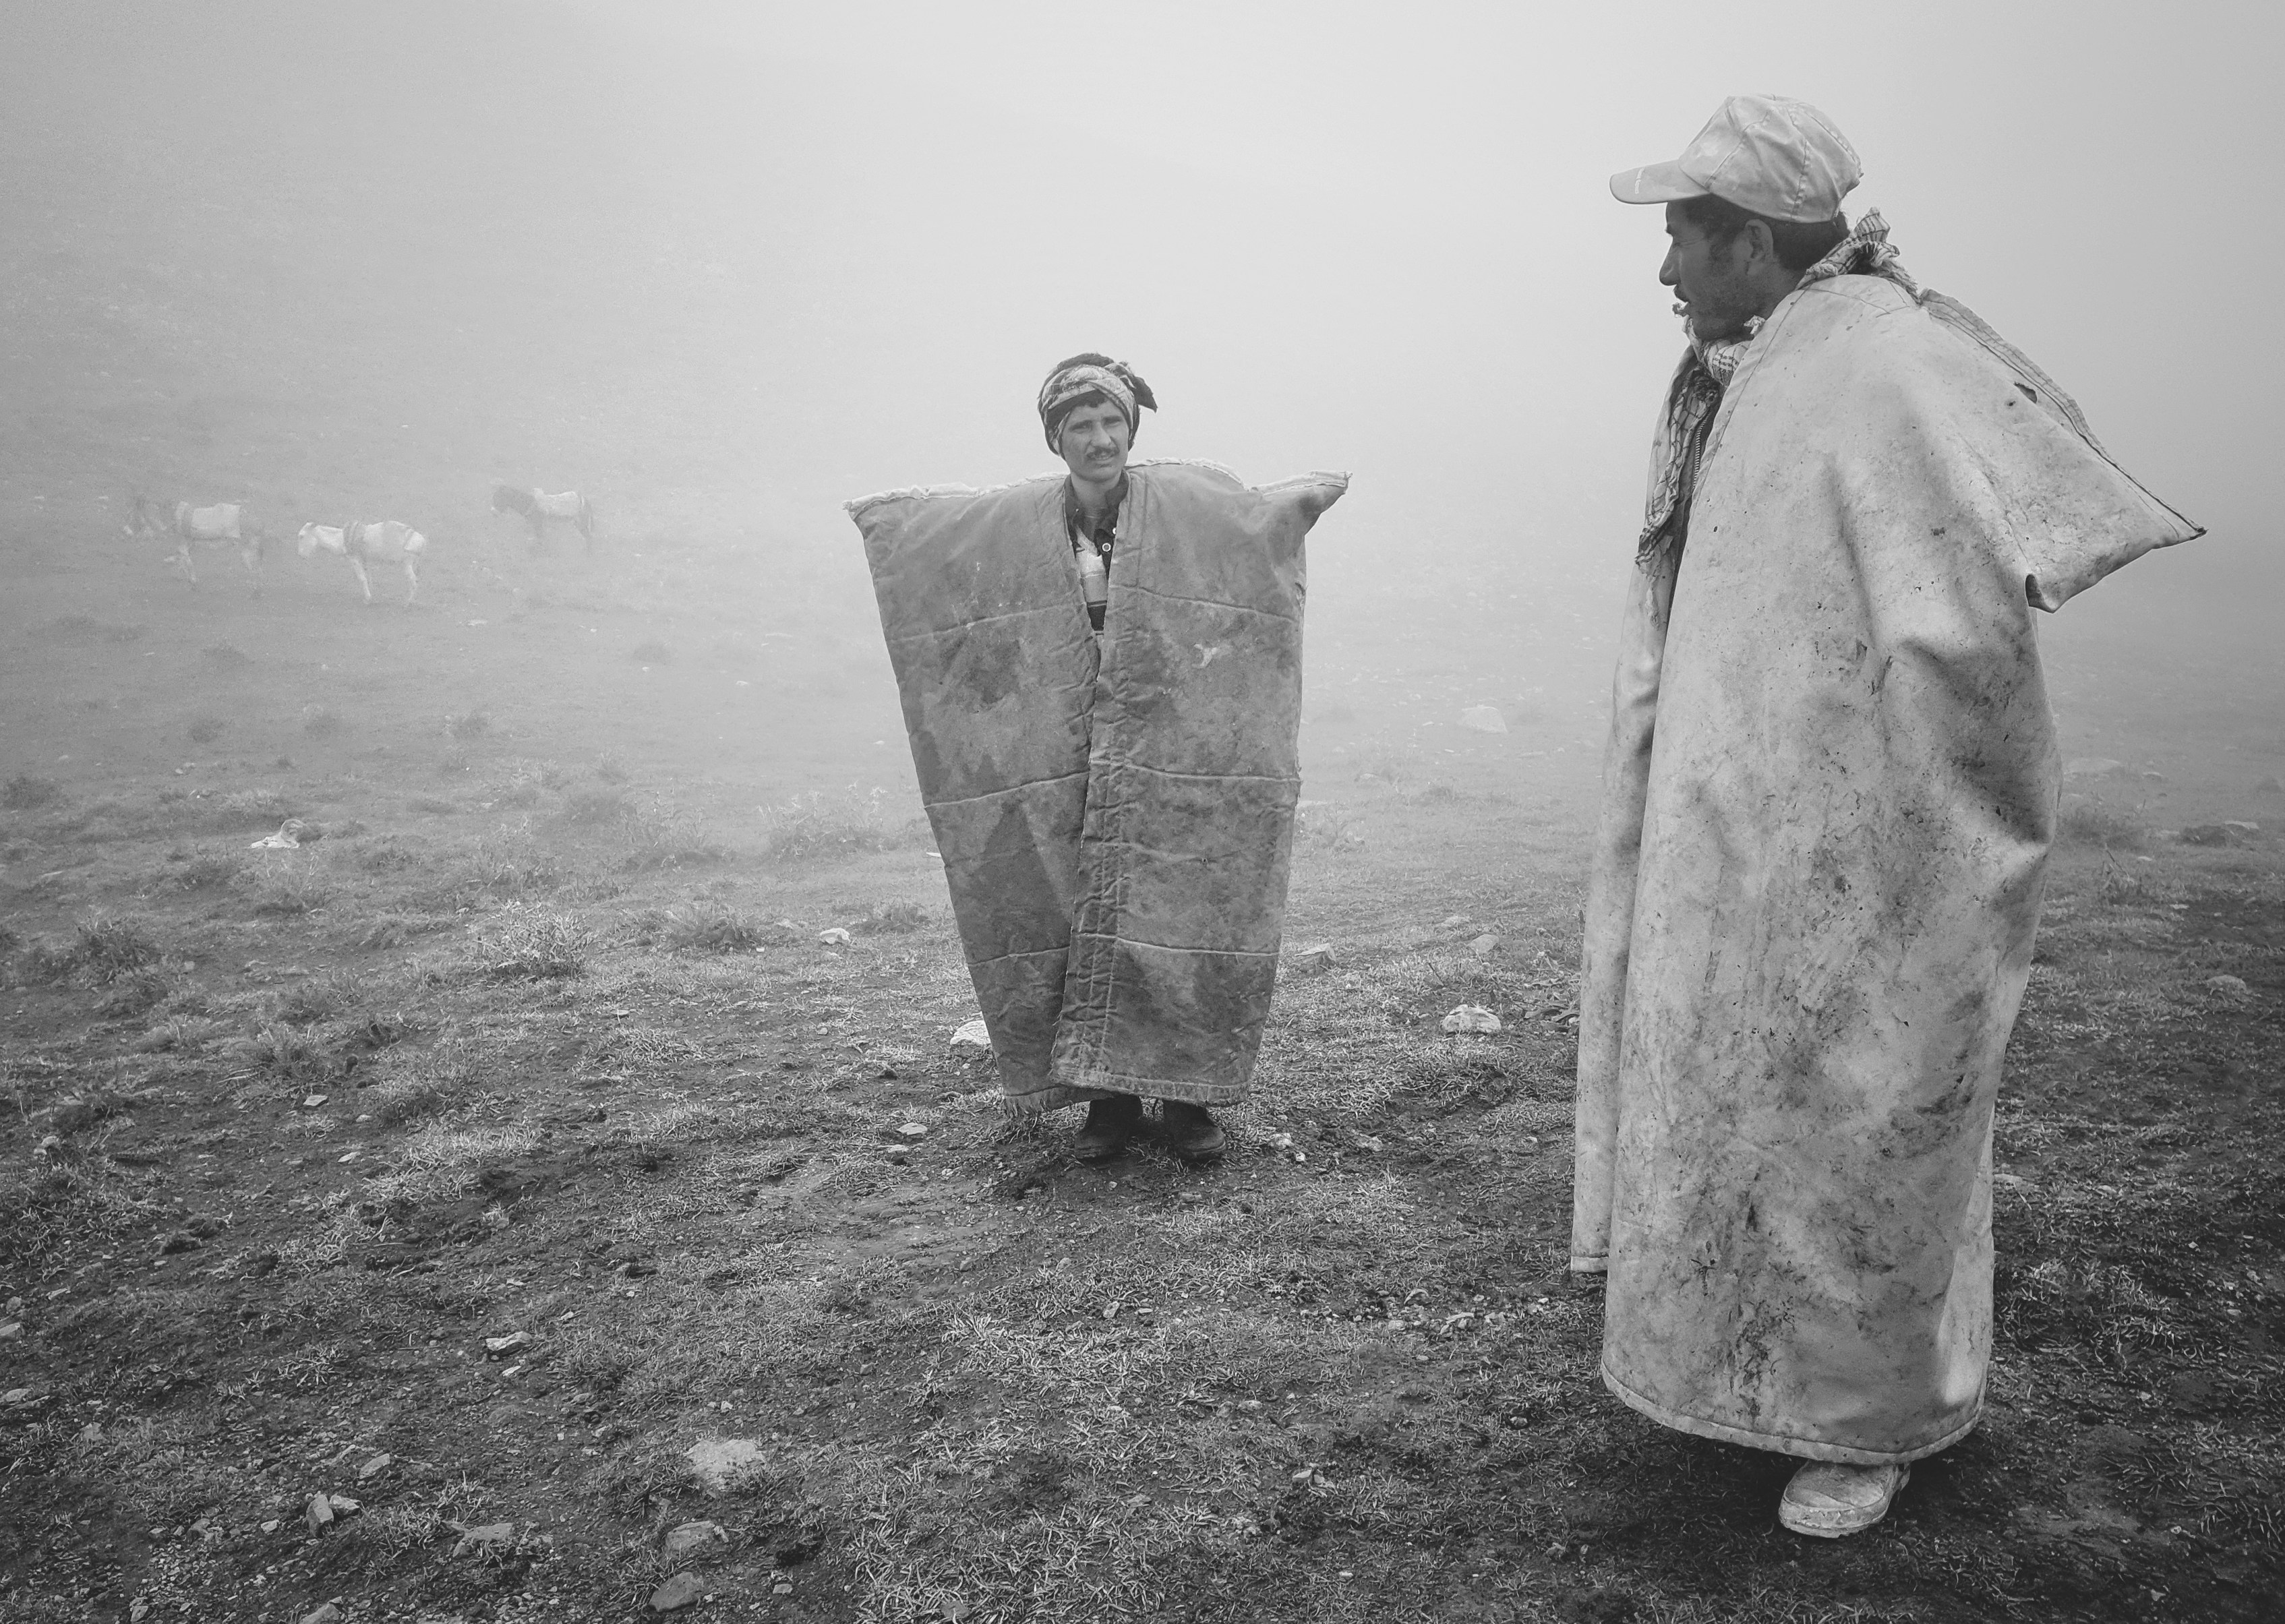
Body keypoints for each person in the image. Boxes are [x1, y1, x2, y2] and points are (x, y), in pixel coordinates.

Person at [1574, 96, 2199, 1538]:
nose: (1662, 264)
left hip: (1866, 828)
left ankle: (1865, 1424)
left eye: (1680, 232)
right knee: (1735, 1090)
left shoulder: (1891, 362)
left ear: (1748, 239)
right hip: (1736, 820)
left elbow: (1966, 613)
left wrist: (1881, 795)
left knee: (1858, 1104)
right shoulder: (1748, 364)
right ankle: (1730, 1376)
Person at [848, 357, 1344, 1166]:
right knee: (1070, 907)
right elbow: (942, 549)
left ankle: (1186, 1103)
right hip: (1068, 745)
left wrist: (1303, 497)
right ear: (1055, 438)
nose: (1099, 439)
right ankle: (1106, 1102)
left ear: (1131, 431)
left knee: (1183, 905)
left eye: (1111, 423)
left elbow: (1253, 528)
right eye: (1079, 426)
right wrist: (883, 525)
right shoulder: (1028, 524)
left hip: (1170, 741)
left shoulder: (1182, 504)